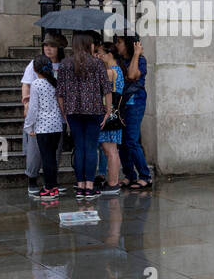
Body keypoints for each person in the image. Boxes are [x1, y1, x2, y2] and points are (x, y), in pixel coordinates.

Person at [55, 31, 113, 201]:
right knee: (91, 147)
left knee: (79, 147)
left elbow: (60, 92)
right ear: (89, 45)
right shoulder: (97, 63)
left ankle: (80, 186)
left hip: (73, 111)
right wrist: (108, 111)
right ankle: (89, 185)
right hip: (94, 110)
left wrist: (64, 112)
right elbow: (107, 90)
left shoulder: (65, 64)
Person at [22, 33, 66, 196]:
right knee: (36, 152)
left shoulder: (63, 65)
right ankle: (33, 178)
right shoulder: (35, 65)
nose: (48, 48)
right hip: (45, 121)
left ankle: (51, 182)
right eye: (46, 45)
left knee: (54, 153)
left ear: (59, 48)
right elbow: (26, 86)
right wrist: (25, 104)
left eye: (52, 45)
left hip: (52, 120)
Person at [113, 33, 152, 190]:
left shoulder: (140, 60)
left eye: (120, 42)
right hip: (122, 104)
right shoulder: (118, 60)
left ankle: (145, 176)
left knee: (131, 140)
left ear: (129, 44)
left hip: (135, 103)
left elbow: (132, 75)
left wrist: (136, 54)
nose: (117, 45)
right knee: (122, 142)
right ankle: (130, 175)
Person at [94, 43, 125, 196]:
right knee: (112, 150)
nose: (99, 56)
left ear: (109, 54)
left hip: (109, 115)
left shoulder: (110, 72)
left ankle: (113, 183)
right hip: (115, 114)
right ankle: (113, 181)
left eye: (100, 53)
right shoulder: (118, 70)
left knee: (110, 150)